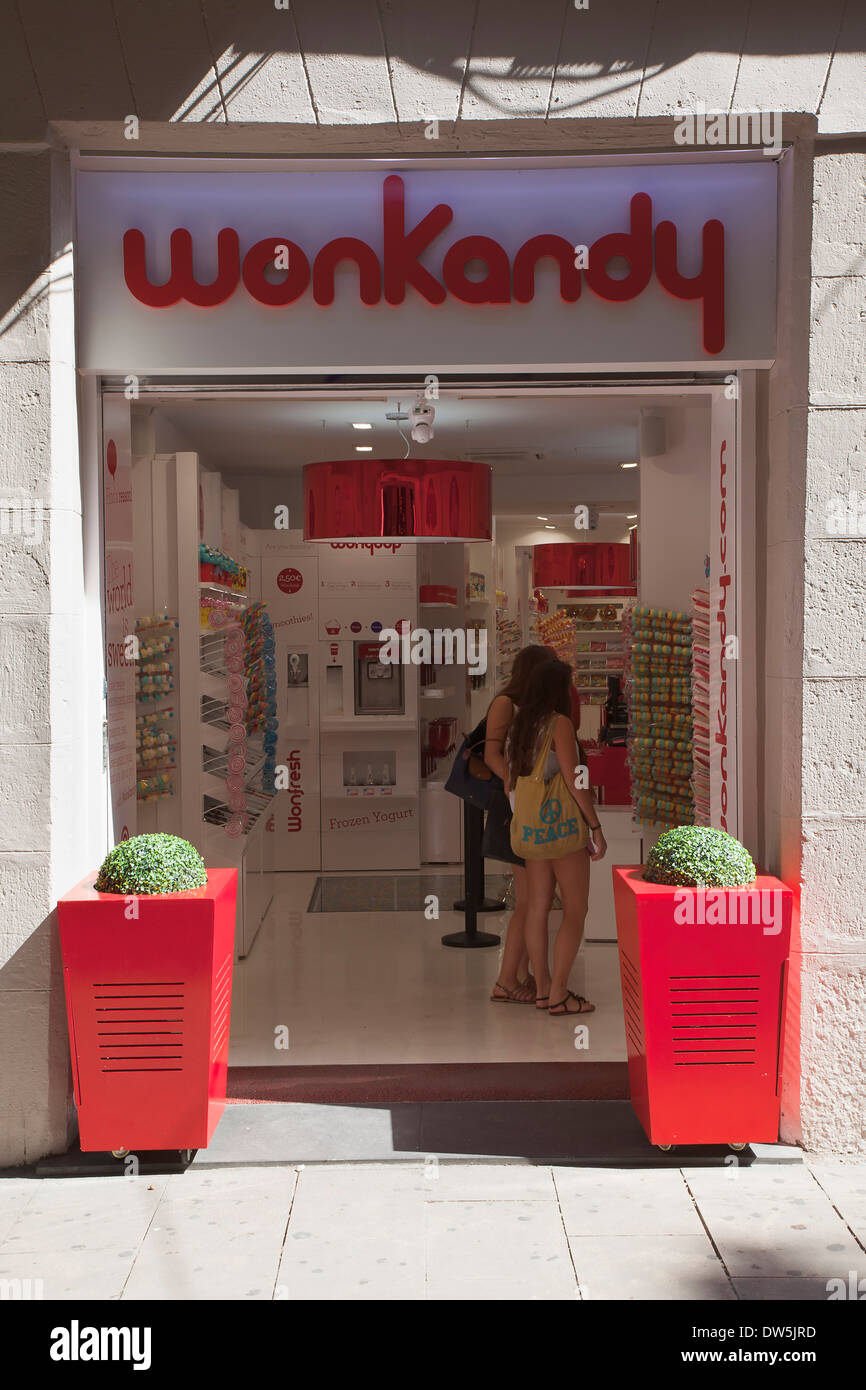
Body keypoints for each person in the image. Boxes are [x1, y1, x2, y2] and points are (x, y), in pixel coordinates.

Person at [505, 658, 607, 1015]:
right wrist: (594, 825)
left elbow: (509, 783)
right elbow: (574, 779)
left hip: (531, 831)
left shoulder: (519, 726)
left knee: (537, 908)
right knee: (576, 909)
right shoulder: (559, 725)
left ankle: (543, 987)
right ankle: (561, 993)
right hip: (563, 831)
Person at [483, 644, 556, 1005]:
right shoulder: (505, 703)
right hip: (513, 808)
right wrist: (513, 780)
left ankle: (522, 974)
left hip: (530, 806)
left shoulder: (536, 710)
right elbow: (491, 752)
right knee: (528, 902)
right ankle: (506, 979)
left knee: (532, 900)